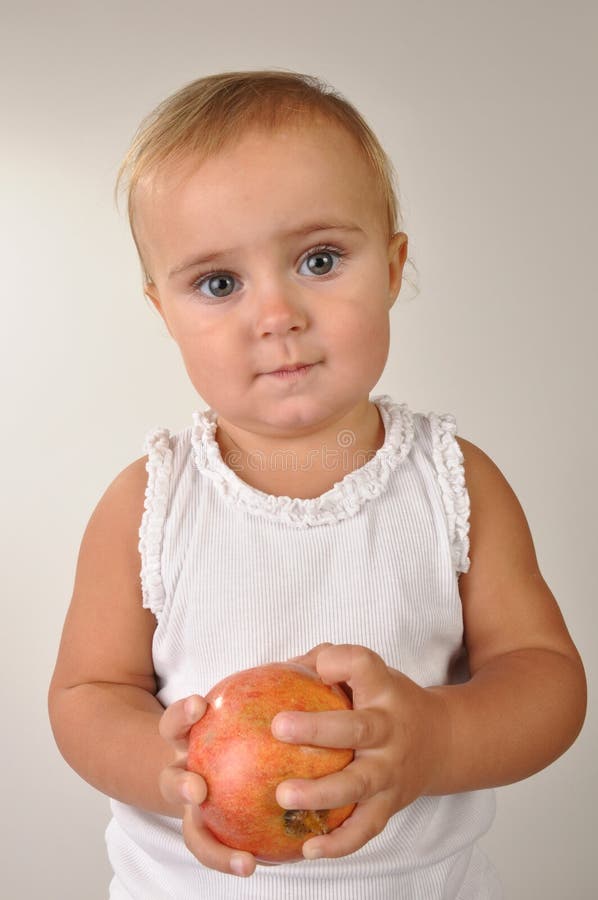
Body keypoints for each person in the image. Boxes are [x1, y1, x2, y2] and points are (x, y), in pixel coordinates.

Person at [48, 70, 586, 900]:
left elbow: (545, 679)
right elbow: (87, 694)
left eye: (320, 259)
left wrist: (437, 739)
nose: (277, 314)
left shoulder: (455, 483)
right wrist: (177, 770)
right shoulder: (148, 505)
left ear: (395, 265)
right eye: (219, 283)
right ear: (163, 312)